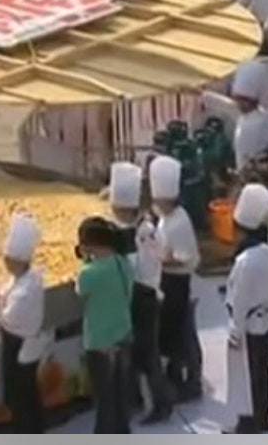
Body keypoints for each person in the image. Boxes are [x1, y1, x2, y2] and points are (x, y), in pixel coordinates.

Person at [107, 161, 173, 424]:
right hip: (135, 295)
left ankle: (159, 403)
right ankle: (136, 400)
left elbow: (146, 264)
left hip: (142, 297)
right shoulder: (134, 229)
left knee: (146, 353)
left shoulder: (144, 232)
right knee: (134, 354)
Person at [224, 183, 268, 434]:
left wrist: (235, 328)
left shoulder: (246, 260)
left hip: (246, 324)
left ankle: (249, 422)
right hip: (264, 319)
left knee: (246, 378)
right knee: (261, 373)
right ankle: (262, 418)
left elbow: (239, 298)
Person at [0, 213, 49, 434]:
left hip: (18, 346)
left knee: (19, 396)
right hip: (27, 344)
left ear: (16, 261)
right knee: (30, 391)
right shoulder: (30, 278)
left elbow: (8, 320)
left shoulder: (24, 292)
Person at [75, 216, 134, 434]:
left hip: (99, 341)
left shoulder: (89, 273)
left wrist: (86, 261)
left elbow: (80, 293)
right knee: (119, 395)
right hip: (123, 334)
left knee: (104, 399)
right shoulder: (122, 262)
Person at [150, 155, 201, 401]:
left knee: (181, 334)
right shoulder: (166, 217)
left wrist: (158, 257)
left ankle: (188, 383)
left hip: (178, 283)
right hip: (168, 280)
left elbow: (184, 257)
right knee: (174, 334)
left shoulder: (179, 221)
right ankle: (178, 378)